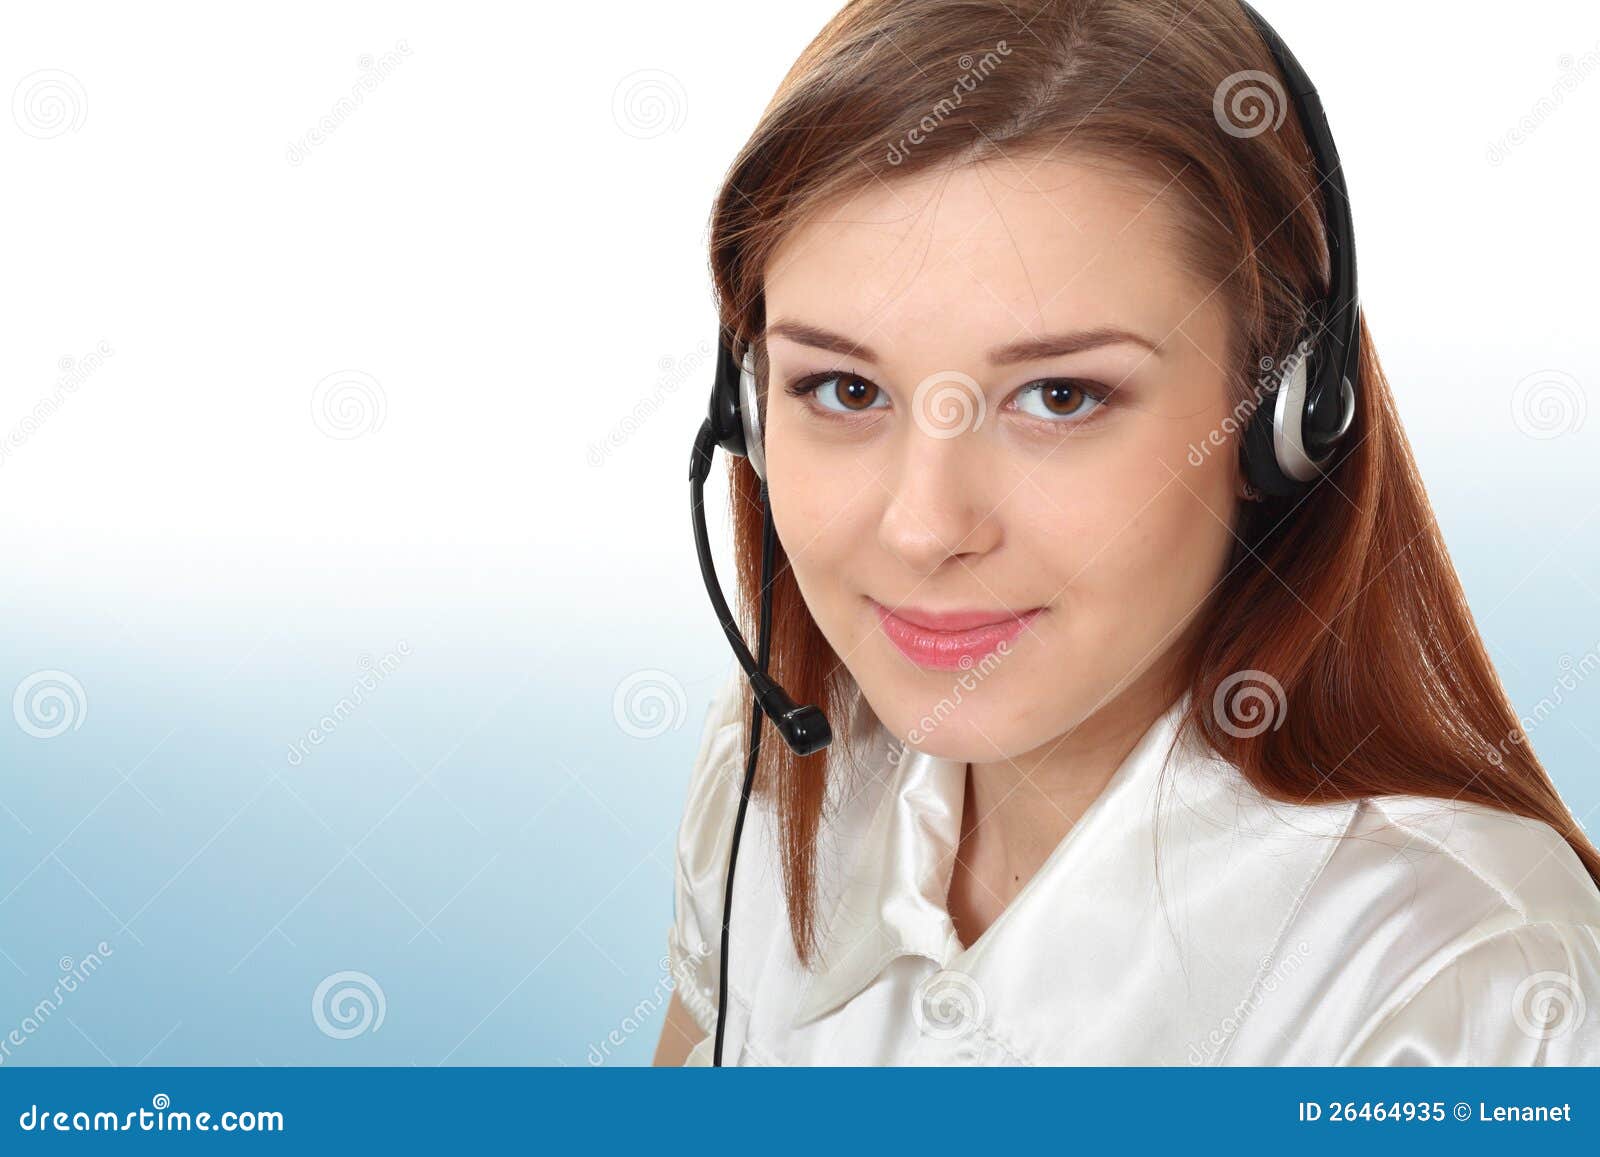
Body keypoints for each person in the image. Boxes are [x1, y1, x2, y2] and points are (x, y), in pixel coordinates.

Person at [653, 0, 1600, 1065]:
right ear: (747, 408)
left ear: (1283, 420)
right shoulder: (779, 758)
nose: (923, 529)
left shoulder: (1467, 984)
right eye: (844, 387)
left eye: (1059, 396)